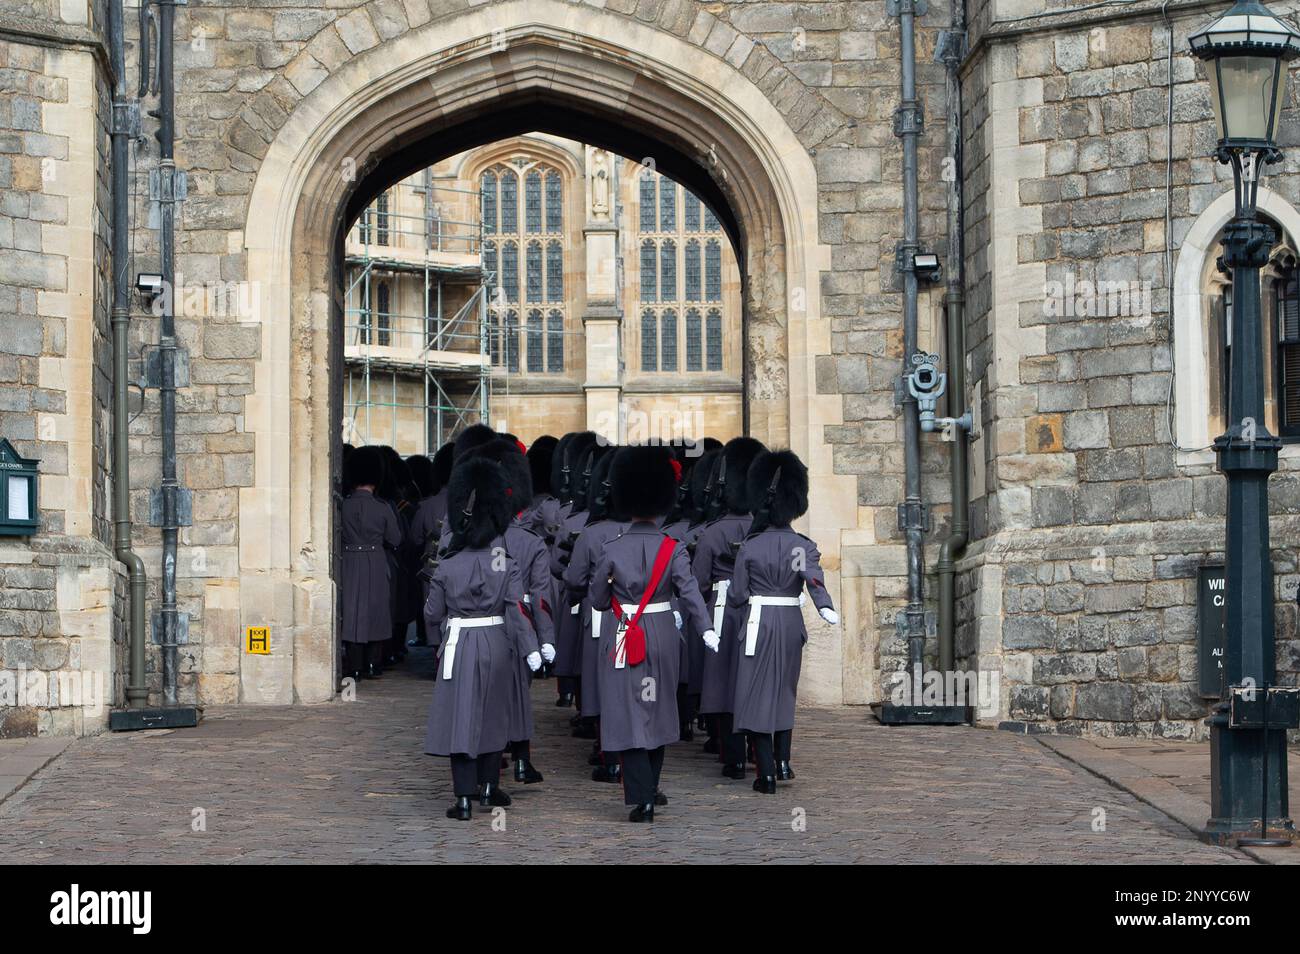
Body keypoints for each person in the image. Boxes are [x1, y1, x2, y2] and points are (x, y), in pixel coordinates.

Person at [590, 445, 716, 823]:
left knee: (626, 711)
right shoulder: (672, 548)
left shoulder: (612, 548)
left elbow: (597, 599)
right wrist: (706, 629)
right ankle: (652, 788)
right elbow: (689, 593)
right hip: (662, 633)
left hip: (624, 634)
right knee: (657, 709)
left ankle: (641, 797)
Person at [424, 455, 539, 821]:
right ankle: (489, 787)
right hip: (496, 641)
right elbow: (516, 611)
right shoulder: (506, 563)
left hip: (459, 644)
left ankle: (463, 798)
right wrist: (532, 649)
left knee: (461, 717)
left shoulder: (447, 565)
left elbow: (432, 614)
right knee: (493, 715)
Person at [728, 450, 838, 793]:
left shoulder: (751, 546)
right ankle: (783, 762)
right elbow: (814, 579)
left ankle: (766, 774)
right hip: (790, 622)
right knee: (784, 691)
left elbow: (737, 595)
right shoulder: (802, 546)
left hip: (758, 623)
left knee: (756, 694)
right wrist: (823, 606)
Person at [464, 437, 557, 785]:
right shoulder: (531, 541)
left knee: (483, 694)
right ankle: (521, 759)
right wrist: (545, 638)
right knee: (518, 691)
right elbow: (541, 597)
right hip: (522, 626)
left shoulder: (469, 539)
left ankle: (489, 759)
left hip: (477, 625)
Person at [694, 436, 766, 779]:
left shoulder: (712, 533)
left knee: (723, 684)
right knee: (754, 680)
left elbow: (699, 580)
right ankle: (758, 750)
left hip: (722, 609)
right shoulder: (762, 530)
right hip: (759, 610)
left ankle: (733, 757)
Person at [562, 448, 626, 781]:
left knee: (600, 685)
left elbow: (574, 579)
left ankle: (607, 753)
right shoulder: (646, 532)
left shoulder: (591, 533)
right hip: (637, 619)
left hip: (599, 615)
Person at [339, 445, 403, 681]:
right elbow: (396, 539)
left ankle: (354, 666)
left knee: (351, 610)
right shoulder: (382, 507)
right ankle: (373, 663)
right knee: (377, 611)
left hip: (349, 560)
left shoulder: (343, 505)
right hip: (376, 559)